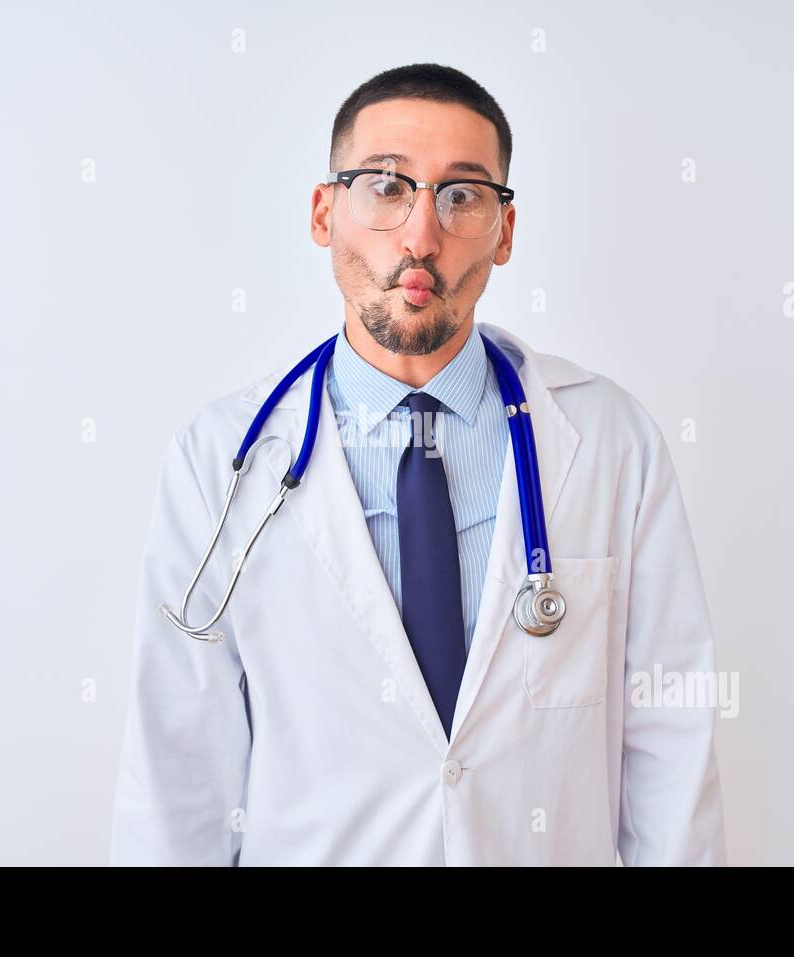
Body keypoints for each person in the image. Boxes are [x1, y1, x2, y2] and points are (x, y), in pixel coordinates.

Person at [109, 63, 727, 866]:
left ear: (505, 231)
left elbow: (671, 758)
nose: (421, 235)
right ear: (326, 212)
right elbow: (175, 779)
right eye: (387, 186)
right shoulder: (221, 461)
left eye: (462, 195)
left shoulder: (610, 442)